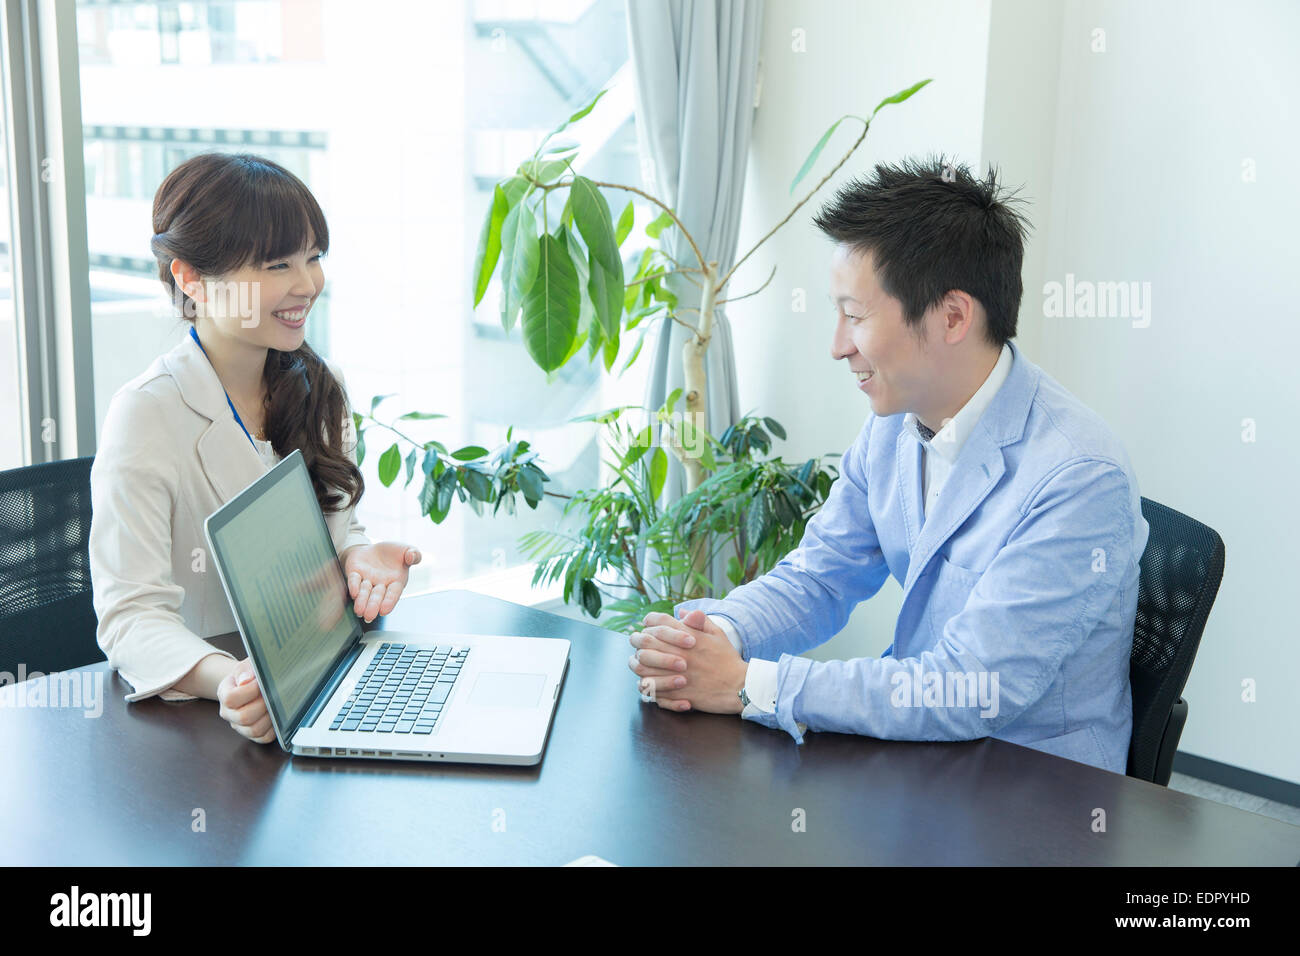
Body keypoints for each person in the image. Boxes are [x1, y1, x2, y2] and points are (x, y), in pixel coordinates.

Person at [626, 157, 1149, 774]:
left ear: (953, 317)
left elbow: (967, 689)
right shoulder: (893, 426)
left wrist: (751, 685)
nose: (837, 344)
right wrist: (710, 635)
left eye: (855, 314)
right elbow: (819, 577)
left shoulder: (1078, 476)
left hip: (1032, 790)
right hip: (919, 754)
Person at [89, 152, 422, 745]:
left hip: (320, 685)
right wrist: (234, 681)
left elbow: (336, 529)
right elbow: (131, 616)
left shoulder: (322, 384)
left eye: (314, 257)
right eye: (276, 264)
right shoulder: (146, 414)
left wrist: (356, 557)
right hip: (201, 737)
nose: (308, 284)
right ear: (189, 277)